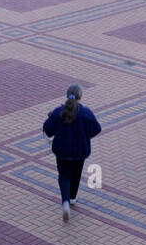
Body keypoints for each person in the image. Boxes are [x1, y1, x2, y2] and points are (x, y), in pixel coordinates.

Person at [43, 85, 103, 223]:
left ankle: (65, 203)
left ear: (67, 95)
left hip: (62, 151)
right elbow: (97, 128)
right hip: (80, 151)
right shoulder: (85, 112)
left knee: (64, 176)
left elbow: (47, 129)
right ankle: (73, 197)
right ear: (80, 97)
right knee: (76, 174)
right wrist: (85, 136)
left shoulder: (58, 111)